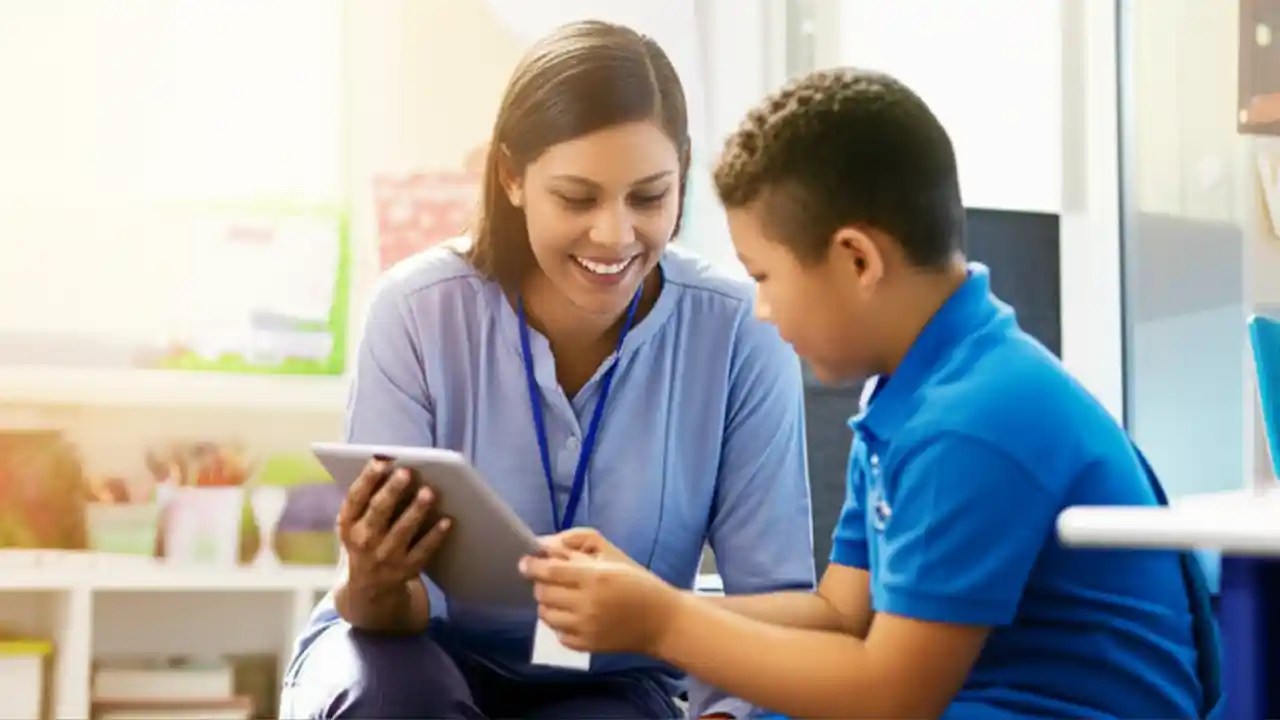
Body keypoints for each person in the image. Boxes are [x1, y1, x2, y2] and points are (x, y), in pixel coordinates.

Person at [520, 67, 1219, 718]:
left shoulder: (974, 419)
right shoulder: (909, 397)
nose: (761, 310)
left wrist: (662, 622)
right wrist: (650, 602)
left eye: (764, 277)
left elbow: (892, 696)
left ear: (857, 259)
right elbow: (841, 617)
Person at [279, 20, 815, 720]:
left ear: (683, 171)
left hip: (608, 683)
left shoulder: (741, 331)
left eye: (649, 197)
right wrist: (376, 577)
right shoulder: (414, 312)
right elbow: (387, 616)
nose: (615, 235)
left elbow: (768, 606)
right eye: (577, 197)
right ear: (510, 176)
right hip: (412, 652)